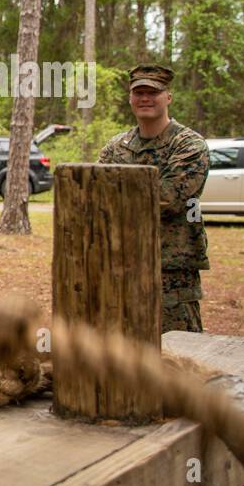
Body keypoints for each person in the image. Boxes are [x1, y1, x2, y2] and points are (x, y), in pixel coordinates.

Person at [98, 65, 209, 333]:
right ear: (130, 98)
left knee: (178, 357)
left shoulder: (189, 145)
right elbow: (94, 196)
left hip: (170, 271)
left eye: (153, 92)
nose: (145, 98)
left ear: (168, 97)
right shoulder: (116, 147)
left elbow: (169, 199)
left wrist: (116, 194)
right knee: (121, 355)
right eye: (139, 92)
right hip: (119, 266)